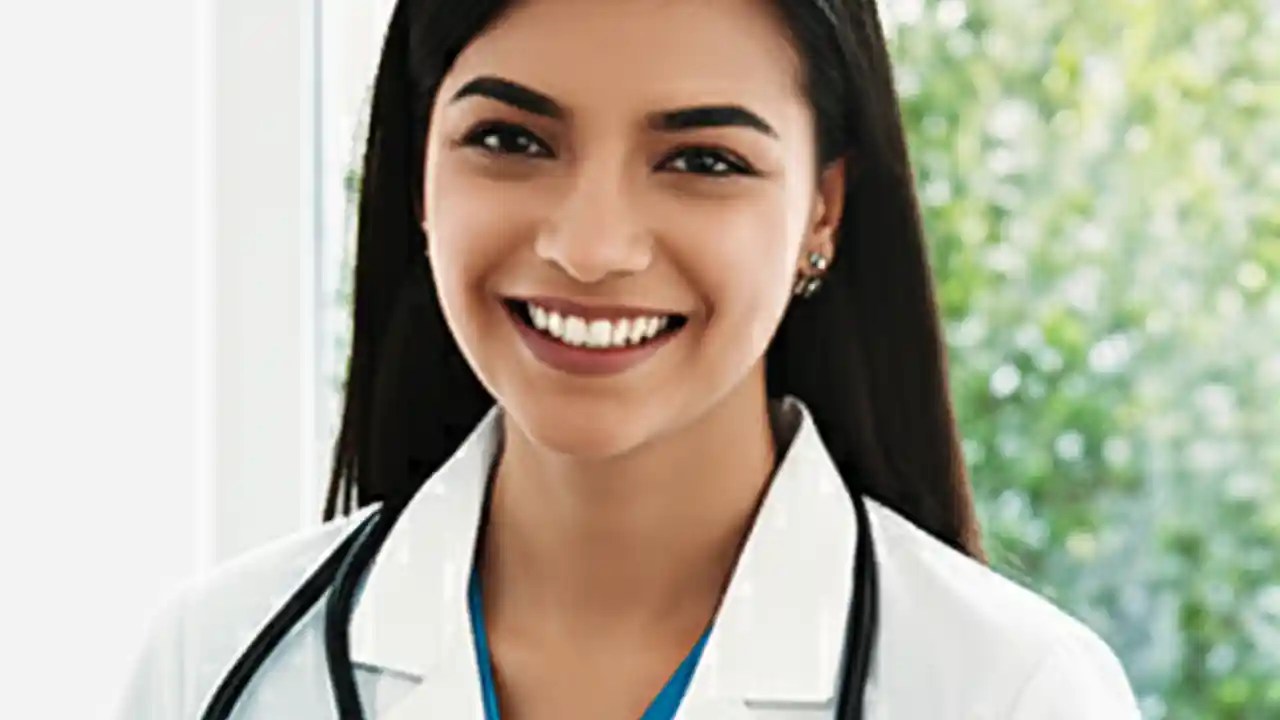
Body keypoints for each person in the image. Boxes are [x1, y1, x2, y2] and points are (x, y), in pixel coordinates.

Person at [116, 0, 1144, 717]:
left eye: (701, 161)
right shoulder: (217, 669)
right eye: (512, 141)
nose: (590, 247)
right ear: (418, 169)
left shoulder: (1008, 693)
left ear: (818, 211)